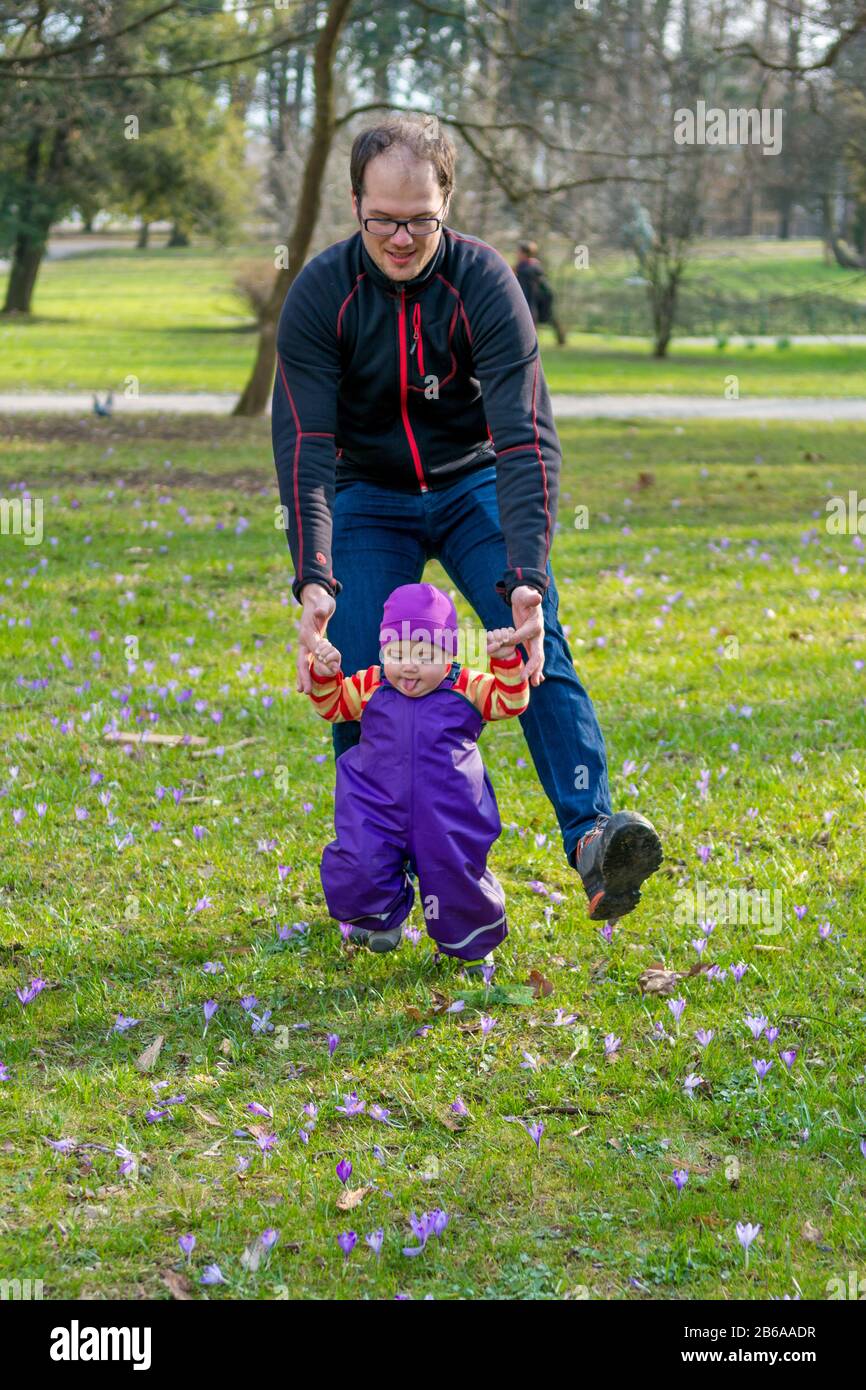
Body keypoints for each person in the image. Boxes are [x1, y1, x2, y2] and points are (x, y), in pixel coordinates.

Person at [272, 111, 663, 925]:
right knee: (357, 670)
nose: (403, 238)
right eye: (384, 220)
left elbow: (523, 438)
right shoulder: (320, 294)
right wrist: (314, 575)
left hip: (471, 483)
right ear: (355, 205)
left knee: (534, 635)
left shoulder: (486, 284)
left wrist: (525, 574)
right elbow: (307, 443)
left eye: (421, 219)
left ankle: (594, 836)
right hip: (365, 494)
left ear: (448, 200)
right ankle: (375, 871)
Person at [308, 582, 528, 974]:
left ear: (449, 654)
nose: (409, 666)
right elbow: (332, 707)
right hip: (378, 804)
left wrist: (507, 660)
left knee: (453, 870)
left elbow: (511, 701)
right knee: (362, 857)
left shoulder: (467, 686)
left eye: (425, 655)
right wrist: (325, 674)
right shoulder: (372, 684)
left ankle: (470, 942)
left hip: (447, 811)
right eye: (397, 654)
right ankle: (380, 916)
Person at [514, 239, 566, 346]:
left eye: (518, 252)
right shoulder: (530, 267)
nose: (516, 254)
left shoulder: (527, 269)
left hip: (532, 302)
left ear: (524, 253)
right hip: (533, 302)